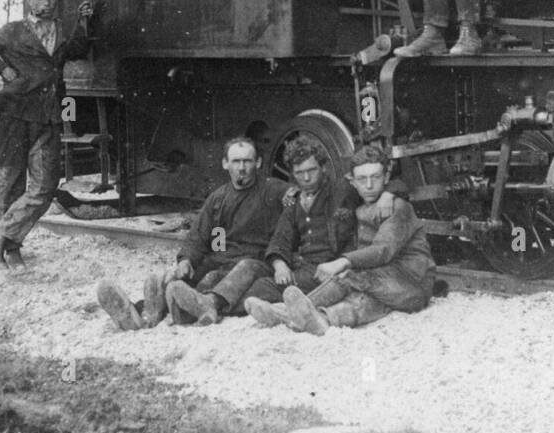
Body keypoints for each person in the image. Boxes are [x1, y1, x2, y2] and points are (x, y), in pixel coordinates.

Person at [0, 0, 94, 269]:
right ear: (30, 1)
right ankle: (11, 250)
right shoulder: (12, 32)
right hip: (15, 117)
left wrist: (83, 23)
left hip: (48, 118)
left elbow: (76, 51)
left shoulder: (60, 32)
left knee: (45, 185)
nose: (47, 3)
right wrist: (0, 69)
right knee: (10, 183)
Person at [95, 136, 290, 328]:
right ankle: (143, 311)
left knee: (234, 271)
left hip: (254, 263)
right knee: (185, 278)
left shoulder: (271, 189)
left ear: (258, 162)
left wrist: (293, 194)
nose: (241, 168)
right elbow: (199, 237)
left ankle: (199, 305)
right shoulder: (218, 198)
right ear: (225, 163)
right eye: (236, 161)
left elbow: (301, 194)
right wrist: (186, 261)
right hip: (222, 261)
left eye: (247, 161)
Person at [244, 144, 435, 335]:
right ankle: (323, 319)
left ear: (386, 177)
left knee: (348, 277)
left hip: (411, 283)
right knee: (362, 299)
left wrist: (343, 261)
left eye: (376, 177)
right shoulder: (360, 204)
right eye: (362, 179)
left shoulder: (396, 207)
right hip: (384, 284)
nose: (369, 185)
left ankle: (284, 313)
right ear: (352, 181)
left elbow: (383, 249)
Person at [238, 135, 391, 306]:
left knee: (261, 287)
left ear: (323, 167)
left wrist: (388, 194)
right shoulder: (294, 201)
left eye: (312, 170)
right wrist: (280, 265)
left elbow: (375, 183)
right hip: (297, 263)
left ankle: (225, 305)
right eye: (299, 173)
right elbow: (281, 238)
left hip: (329, 267)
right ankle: (212, 301)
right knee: (247, 268)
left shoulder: (343, 190)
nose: (306, 178)